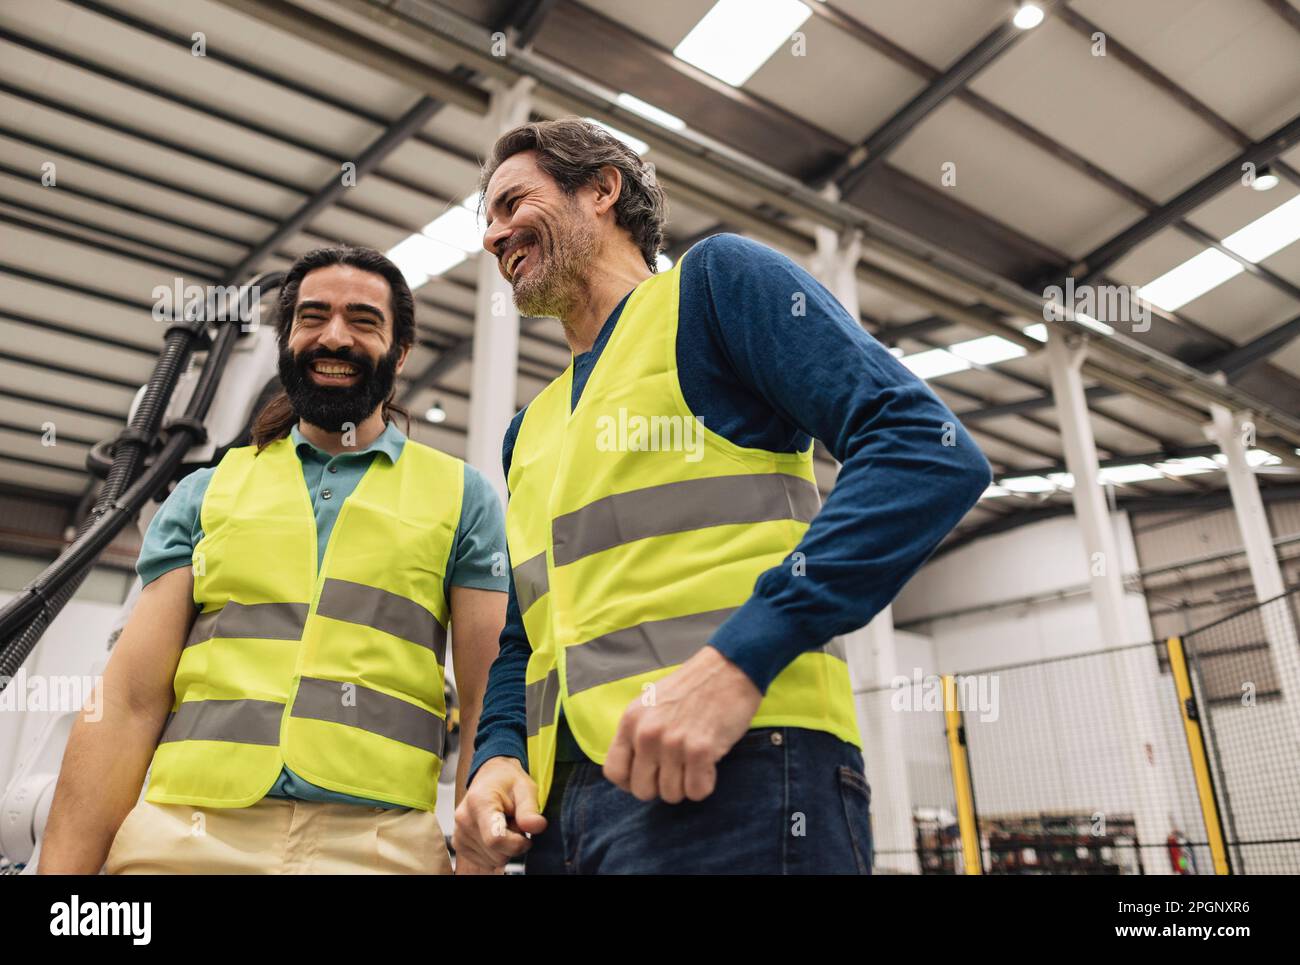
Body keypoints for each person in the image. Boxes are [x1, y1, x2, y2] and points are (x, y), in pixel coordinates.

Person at [454, 119, 992, 874]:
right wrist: (498, 754)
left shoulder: (712, 289)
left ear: (603, 188)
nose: (494, 235)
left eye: (514, 203)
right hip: (562, 814)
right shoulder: (529, 429)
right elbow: (524, 633)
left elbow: (924, 449)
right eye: (489, 218)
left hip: (738, 773)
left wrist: (737, 662)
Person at [39, 246, 507, 874]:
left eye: (364, 320)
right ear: (287, 339)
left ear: (399, 353)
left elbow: (485, 700)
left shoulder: (463, 497)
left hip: (377, 848)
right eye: (312, 317)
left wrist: (480, 862)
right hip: (186, 838)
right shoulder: (204, 492)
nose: (333, 336)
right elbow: (127, 703)